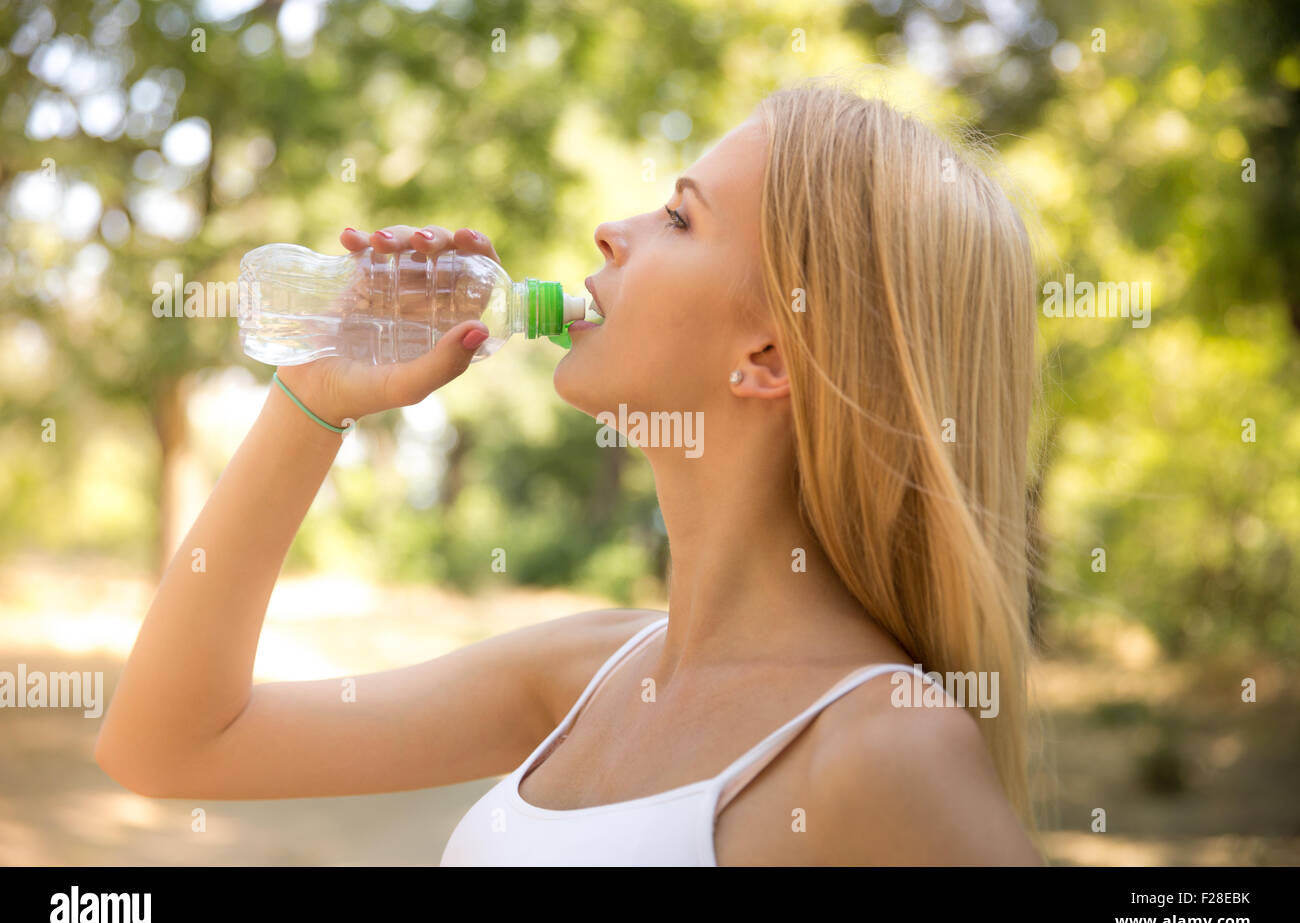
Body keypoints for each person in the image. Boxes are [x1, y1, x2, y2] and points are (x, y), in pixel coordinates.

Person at [95, 77, 1047, 865]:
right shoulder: (581, 673)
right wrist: (313, 397)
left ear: (770, 357)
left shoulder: (884, 753)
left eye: (679, 217)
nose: (609, 228)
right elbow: (166, 744)